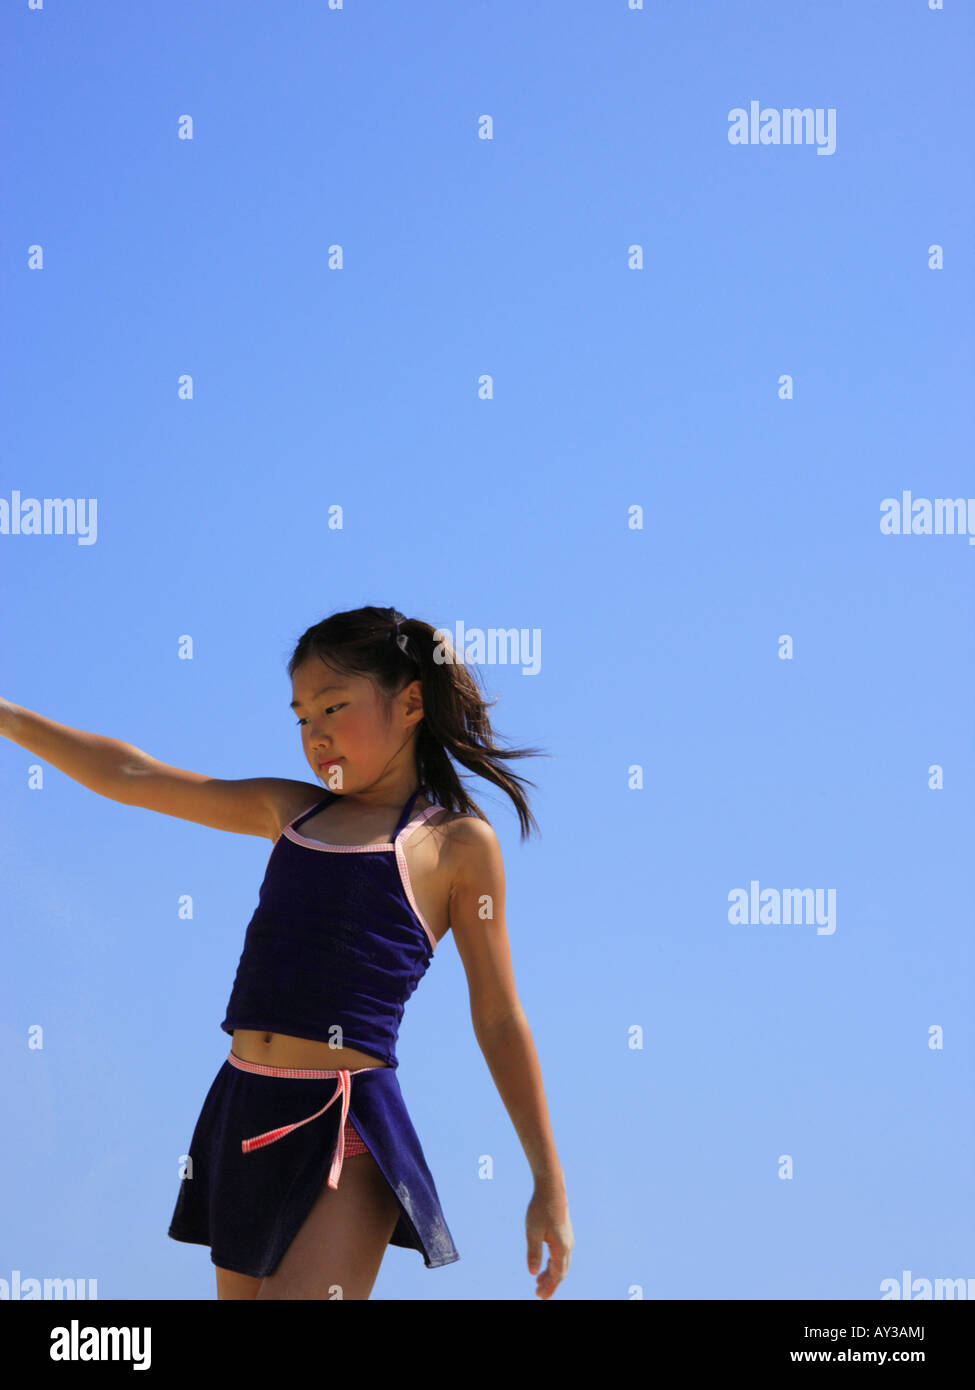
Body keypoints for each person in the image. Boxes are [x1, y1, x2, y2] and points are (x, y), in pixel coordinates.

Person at [0, 605, 574, 1300]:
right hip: (243, 1108)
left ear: (412, 701)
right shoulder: (289, 812)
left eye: (333, 706)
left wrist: (547, 1183)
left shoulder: (453, 844)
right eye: (302, 717)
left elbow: (498, 1016)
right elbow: (129, 773)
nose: (315, 733)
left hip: (343, 1124)